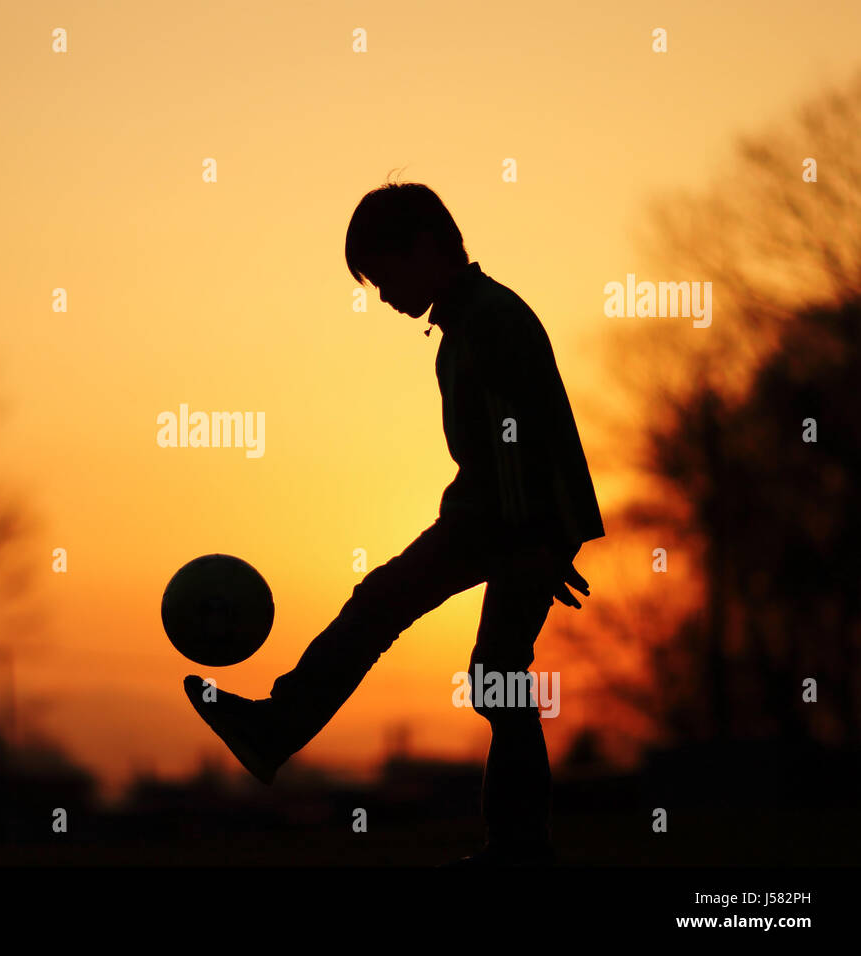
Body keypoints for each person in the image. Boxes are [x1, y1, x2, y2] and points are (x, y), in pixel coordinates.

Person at [183, 182, 606, 865]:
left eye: (383, 277)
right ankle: (520, 848)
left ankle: (275, 729)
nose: (381, 297)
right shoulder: (472, 320)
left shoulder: (489, 322)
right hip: (510, 517)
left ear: (427, 248)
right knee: (494, 670)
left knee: (392, 611)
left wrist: (533, 541)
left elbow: (516, 438)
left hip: (504, 517)